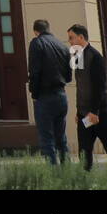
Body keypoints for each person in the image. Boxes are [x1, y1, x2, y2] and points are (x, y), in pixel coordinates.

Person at [67, 24, 107, 170]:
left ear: (81, 37)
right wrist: (79, 112)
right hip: (85, 115)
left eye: (71, 38)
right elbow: (81, 87)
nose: (70, 42)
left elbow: (100, 88)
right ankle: (85, 180)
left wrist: (94, 111)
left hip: (99, 114)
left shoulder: (95, 57)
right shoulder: (78, 57)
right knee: (84, 151)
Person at [27, 18, 72, 165]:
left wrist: (34, 93)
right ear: (48, 28)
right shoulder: (63, 46)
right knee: (61, 138)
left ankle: (53, 175)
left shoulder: (36, 43)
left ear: (35, 31)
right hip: (61, 95)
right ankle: (67, 170)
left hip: (44, 96)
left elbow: (34, 72)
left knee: (47, 140)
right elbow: (69, 75)